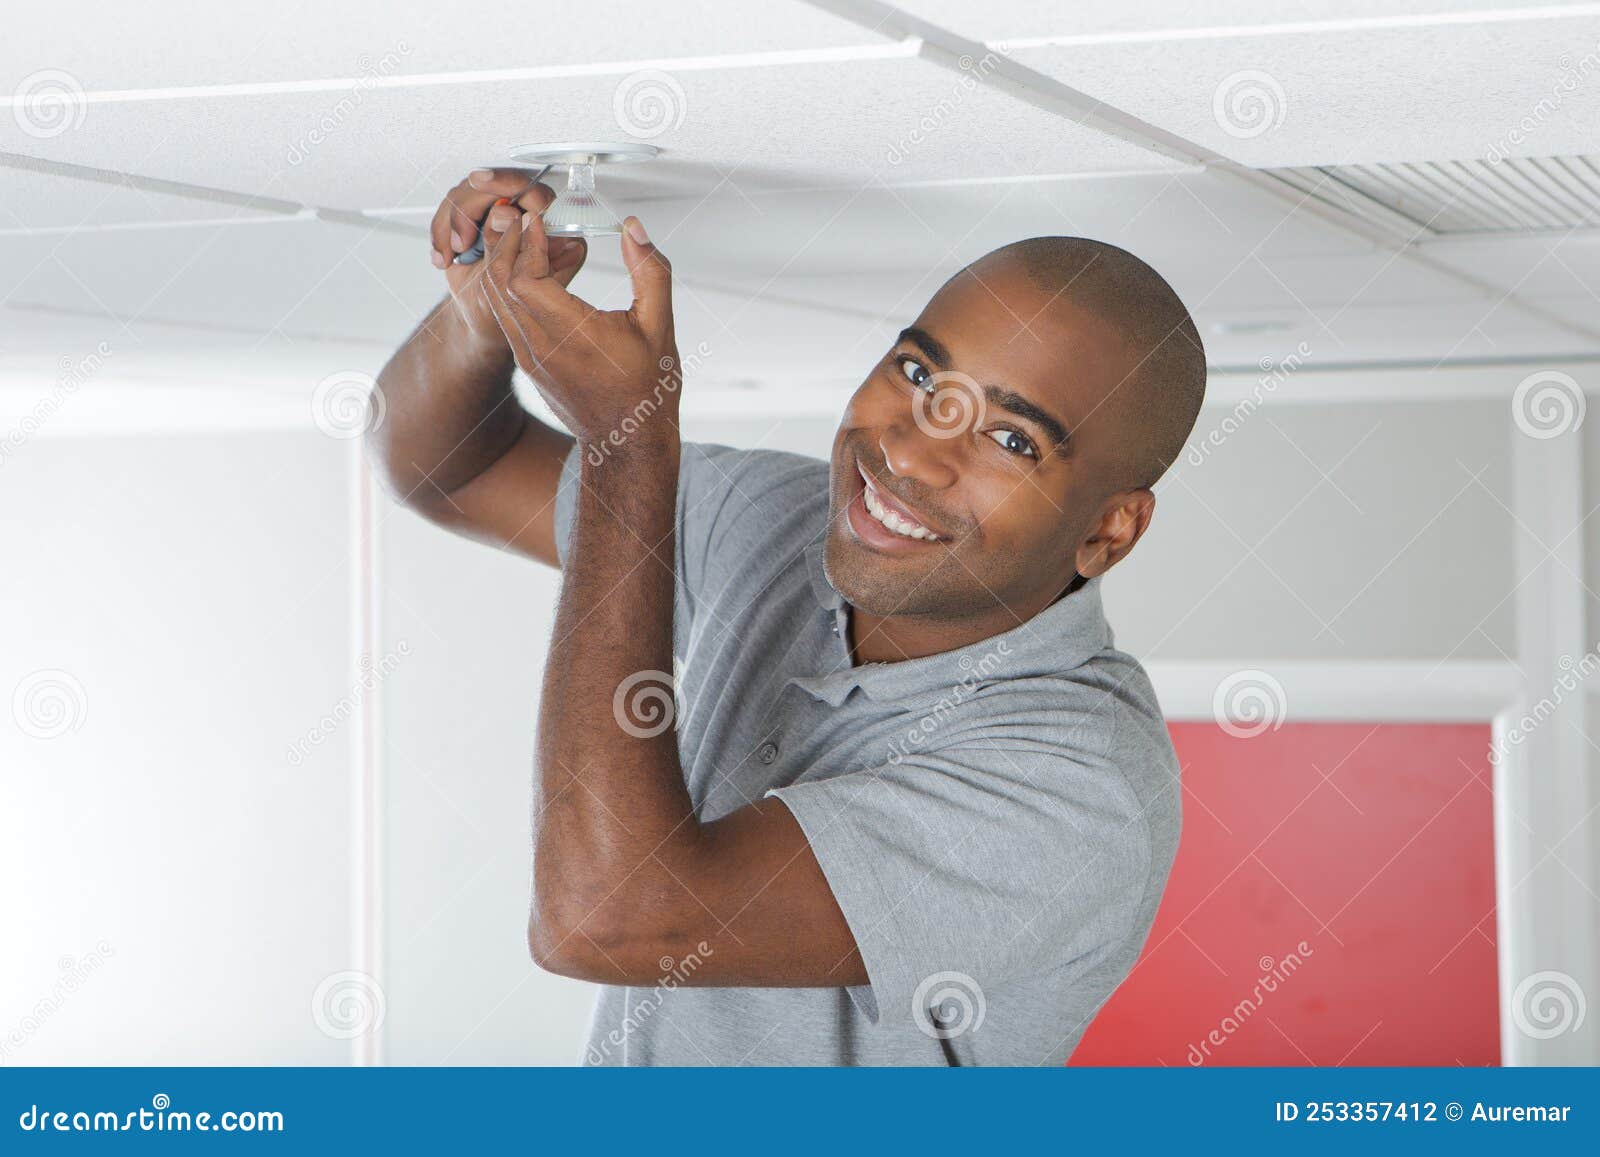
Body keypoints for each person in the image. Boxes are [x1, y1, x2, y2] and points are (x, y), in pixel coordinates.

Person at [368, 168, 1208, 1066]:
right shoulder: (783, 521)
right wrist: (484, 310)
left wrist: (628, 444)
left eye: (1011, 439)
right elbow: (453, 470)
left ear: (1108, 531)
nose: (913, 452)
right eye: (919, 371)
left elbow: (607, 918)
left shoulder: (1081, 787)